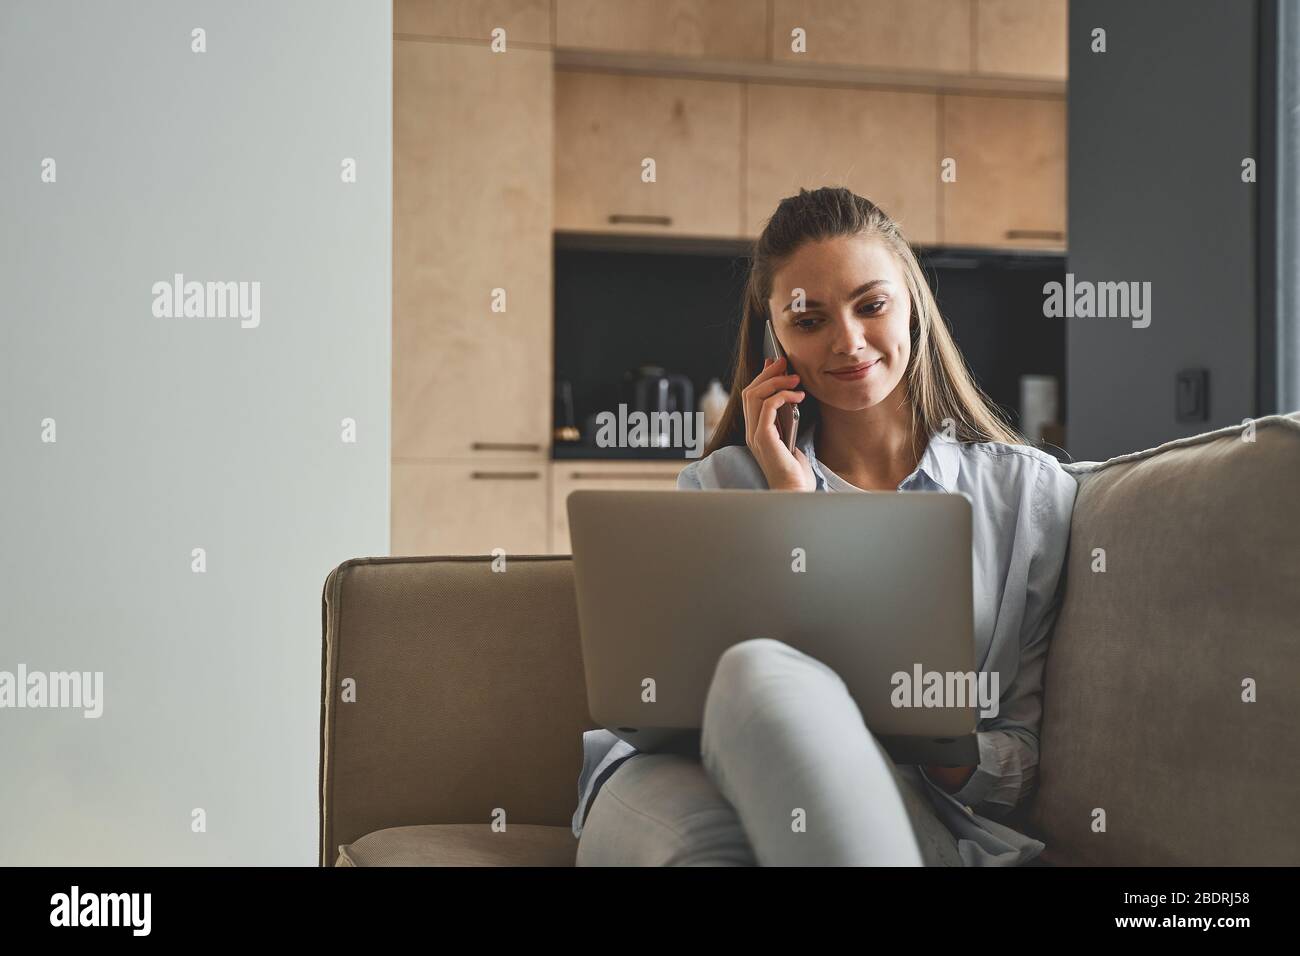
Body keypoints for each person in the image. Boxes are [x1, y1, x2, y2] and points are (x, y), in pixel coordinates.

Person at [572, 186, 1078, 866]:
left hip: (907, 803)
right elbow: (661, 697)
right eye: (809, 320)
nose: (848, 341)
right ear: (774, 337)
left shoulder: (1027, 495)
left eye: (872, 305)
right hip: (689, 773)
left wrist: (944, 748)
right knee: (747, 685)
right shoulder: (722, 486)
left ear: (913, 306)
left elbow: (1018, 755)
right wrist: (792, 501)